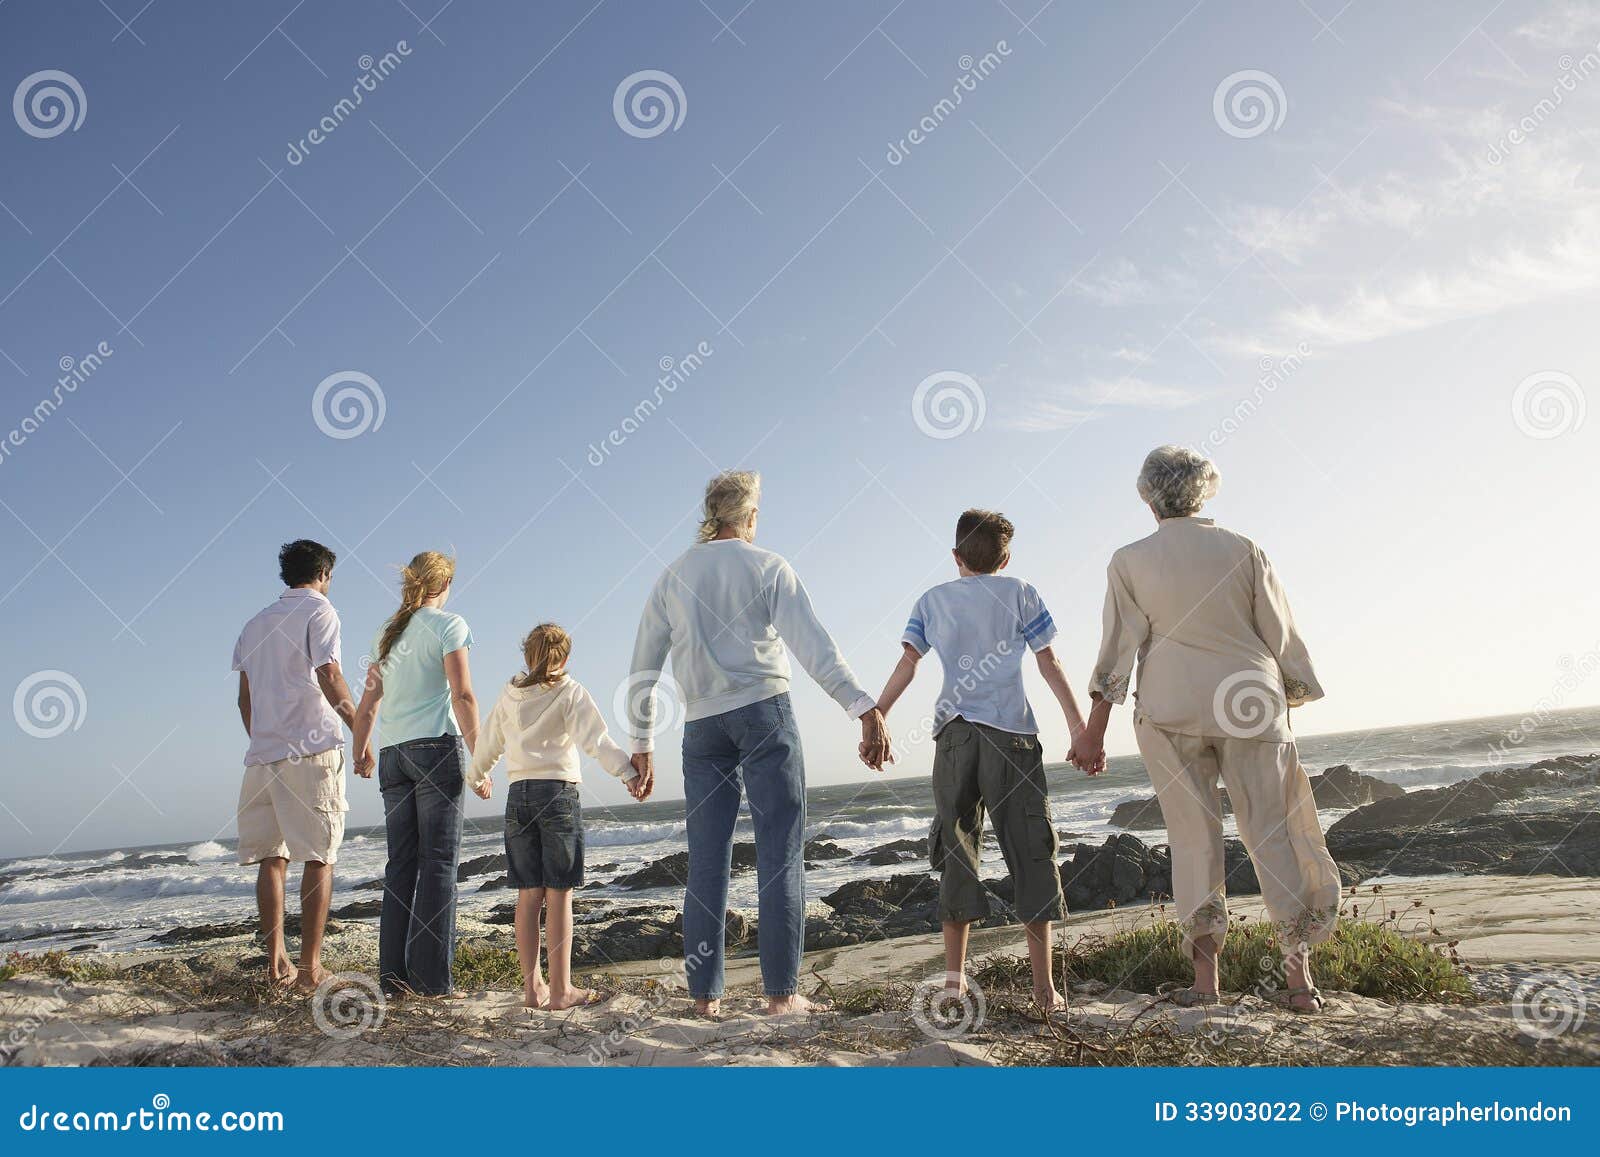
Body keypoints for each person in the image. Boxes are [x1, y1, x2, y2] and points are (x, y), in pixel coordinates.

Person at [1070, 446, 1341, 1012]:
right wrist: (1292, 693)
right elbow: (1281, 634)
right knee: (1273, 833)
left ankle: (1205, 986)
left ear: (1148, 495)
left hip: (1171, 708)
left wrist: (1094, 729)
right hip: (1250, 702)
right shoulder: (1245, 549)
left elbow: (1117, 649)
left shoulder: (1129, 559)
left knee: (1193, 840)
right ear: (1205, 490)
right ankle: (1299, 986)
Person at [627, 470, 892, 1017]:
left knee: (706, 860)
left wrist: (641, 743)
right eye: (757, 513)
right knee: (779, 852)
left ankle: (704, 999)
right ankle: (781, 995)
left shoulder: (672, 576)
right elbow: (812, 644)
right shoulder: (768, 565)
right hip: (763, 713)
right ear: (748, 517)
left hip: (701, 727)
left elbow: (642, 667)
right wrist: (860, 705)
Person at [873, 509, 1090, 1015]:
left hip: (954, 738)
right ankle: (1044, 989)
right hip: (1011, 735)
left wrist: (879, 714)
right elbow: (1048, 661)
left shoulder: (932, 600)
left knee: (957, 848)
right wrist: (1079, 727)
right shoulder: (1020, 591)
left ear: (955, 557)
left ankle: (954, 983)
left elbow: (909, 663)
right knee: (1030, 849)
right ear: (1006, 557)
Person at [468, 624, 643, 1010]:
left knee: (528, 895)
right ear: (564, 658)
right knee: (559, 894)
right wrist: (628, 773)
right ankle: (562, 990)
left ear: (527, 655)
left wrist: (477, 776)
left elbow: (489, 741)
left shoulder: (510, 693)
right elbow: (596, 742)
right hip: (558, 795)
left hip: (518, 796)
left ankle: (533, 990)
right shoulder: (570, 691)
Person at [350, 551, 477, 999]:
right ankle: (431, 983)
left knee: (401, 865)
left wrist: (361, 750)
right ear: (445, 584)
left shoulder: (389, 633)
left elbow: (367, 705)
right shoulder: (449, 626)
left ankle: (394, 981)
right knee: (439, 864)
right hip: (434, 751)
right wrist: (480, 757)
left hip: (393, 756)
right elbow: (461, 695)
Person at [231, 539, 355, 991]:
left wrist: (266, 738)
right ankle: (310, 969)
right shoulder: (320, 610)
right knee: (320, 855)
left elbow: (244, 700)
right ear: (323, 574)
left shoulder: (253, 624)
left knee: (272, 856)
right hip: (312, 747)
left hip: (263, 755)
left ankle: (276, 963)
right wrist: (360, 726)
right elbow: (329, 673)